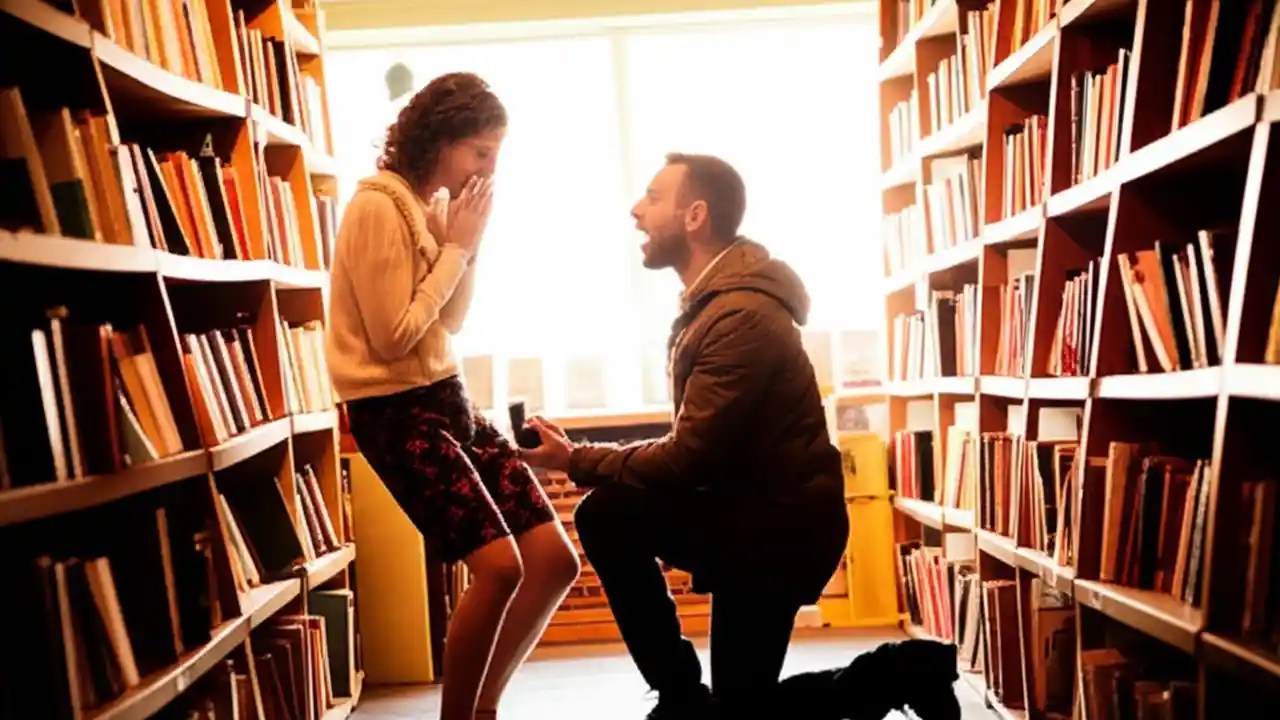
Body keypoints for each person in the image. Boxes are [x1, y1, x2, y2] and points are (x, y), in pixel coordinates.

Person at [520, 153, 959, 719]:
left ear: (695, 215)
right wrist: (580, 458)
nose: (635, 210)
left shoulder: (741, 319)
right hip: (741, 520)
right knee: (609, 514)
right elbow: (701, 448)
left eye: (652, 197)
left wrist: (574, 458)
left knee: (739, 711)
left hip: (777, 534)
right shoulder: (713, 307)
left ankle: (902, 671)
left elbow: (689, 459)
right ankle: (681, 696)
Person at [326, 72, 580, 720]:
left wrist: (468, 244)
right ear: (440, 141)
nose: (489, 169)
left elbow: (452, 319)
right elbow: (393, 336)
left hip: (447, 394)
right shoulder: (378, 205)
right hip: (396, 406)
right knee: (499, 568)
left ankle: (483, 708)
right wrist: (458, 247)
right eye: (481, 152)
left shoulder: (430, 206)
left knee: (553, 560)